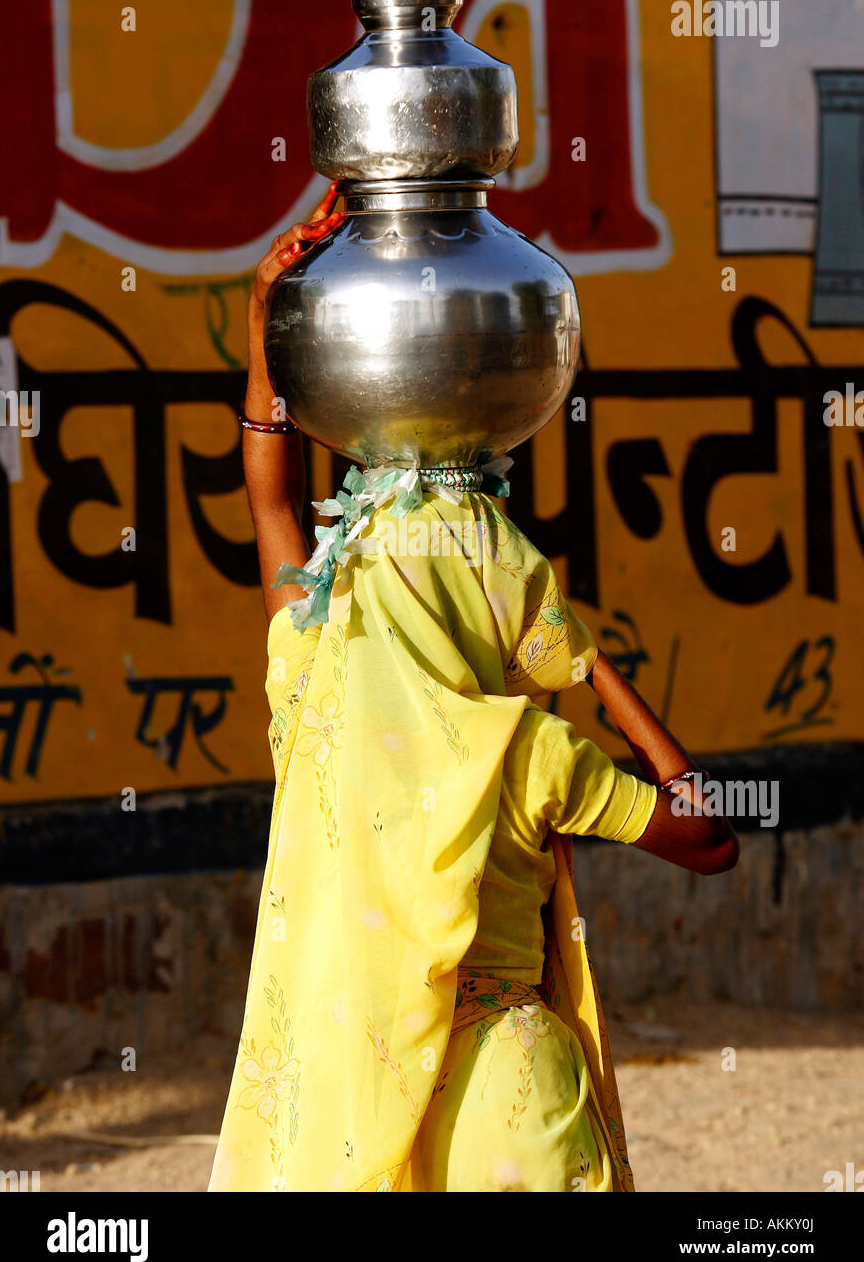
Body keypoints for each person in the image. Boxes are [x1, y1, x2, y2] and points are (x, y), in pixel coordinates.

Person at [208, 187, 739, 1193]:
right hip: (514, 1093)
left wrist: (263, 317)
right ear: (492, 612)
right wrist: (589, 662)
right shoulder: (532, 755)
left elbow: (269, 496)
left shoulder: (315, 691)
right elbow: (710, 838)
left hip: (377, 1104)